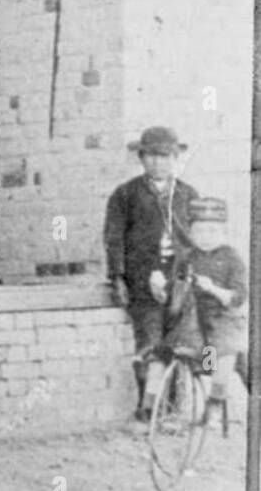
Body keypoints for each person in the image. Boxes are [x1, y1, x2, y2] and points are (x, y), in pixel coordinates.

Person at [103, 126, 198, 421]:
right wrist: (118, 277)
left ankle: (173, 407)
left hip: (179, 285)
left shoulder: (187, 195)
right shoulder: (126, 194)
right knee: (149, 346)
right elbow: (114, 237)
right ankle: (149, 411)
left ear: (175, 158)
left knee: (178, 347)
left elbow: (198, 240)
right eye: (150, 156)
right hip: (142, 285)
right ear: (141, 158)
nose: (157, 162)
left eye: (164, 156)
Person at [177, 198, 249, 430]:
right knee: (209, 363)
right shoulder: (188, 257)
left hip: (226, 319)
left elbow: (238, 297)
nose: (205, 236)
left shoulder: (231, 257)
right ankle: (223, 388)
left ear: (224, 231)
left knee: (224, 355)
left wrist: (213, 289)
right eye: (199, 230)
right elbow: (177, 286)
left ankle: (215, 407)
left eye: (212, 230)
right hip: (199, 322)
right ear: (190, 232)